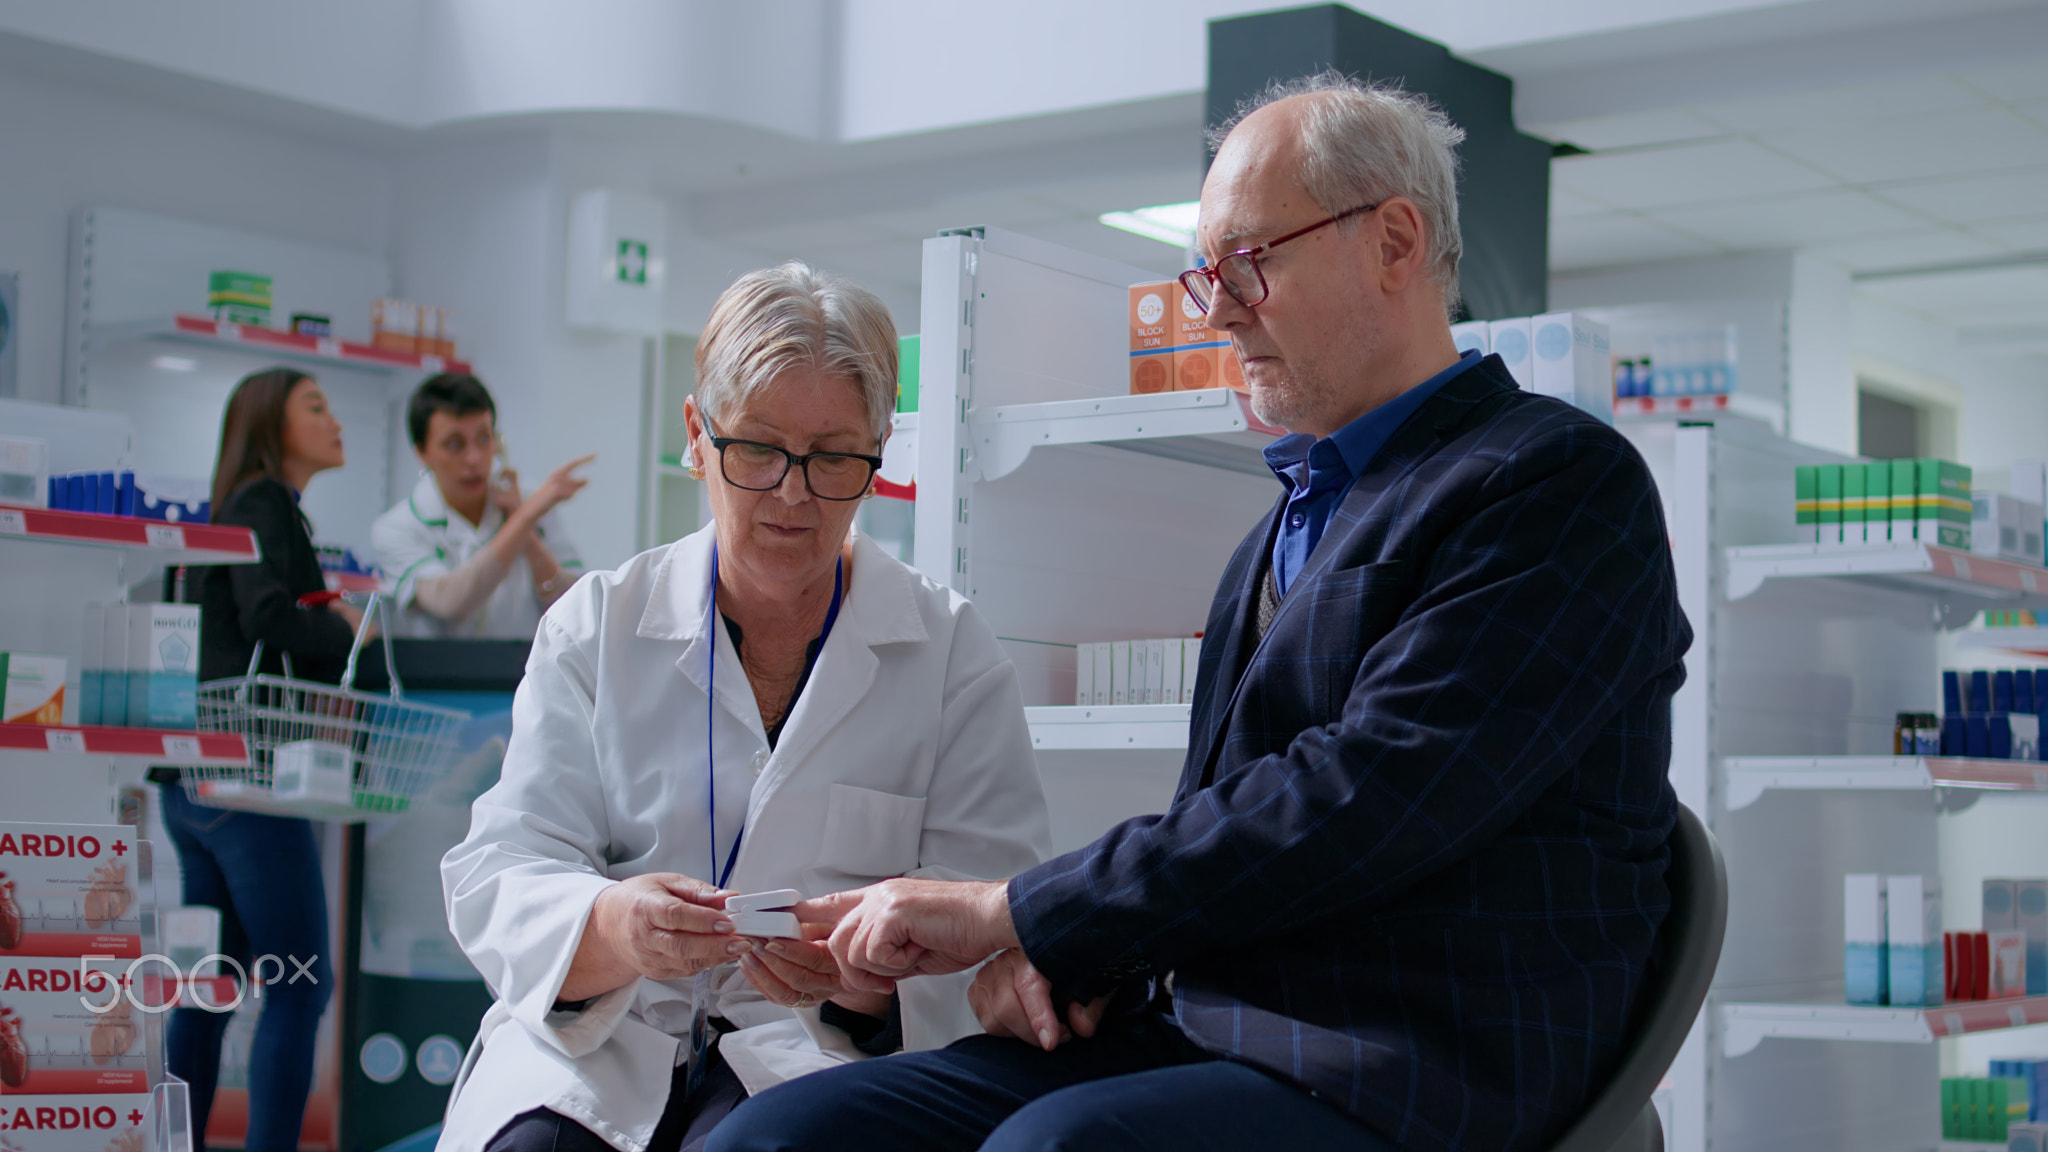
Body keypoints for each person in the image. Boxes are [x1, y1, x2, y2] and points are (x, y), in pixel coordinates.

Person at [710, 74, 1694, 1152]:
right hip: (1203, 1024)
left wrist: (1017, 914)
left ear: (1395, 241)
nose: (1217, 307)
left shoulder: (1550, 484)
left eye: (1247, 263)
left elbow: (1363, 799)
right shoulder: (1276, 530)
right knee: (783, 1136)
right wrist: (1072, 958)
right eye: (1204, 274)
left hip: (1414, 1057)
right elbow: (1225, 821)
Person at [437, 262, 1051, 1152]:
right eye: (758, 448)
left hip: (815, 1056)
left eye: (833, 456)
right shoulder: (599, 625)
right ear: (697, 434)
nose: (793, 493)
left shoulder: (950, 652)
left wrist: (863, 983)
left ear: (879, 451)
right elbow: (503, 866)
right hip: (605, 1040)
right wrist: (614, 927)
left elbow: (991, 922)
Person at [155, 367, 352, 1152]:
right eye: (316, 406)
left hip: (197, 786)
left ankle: (179, 1143)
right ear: (272, 424)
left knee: (213, 984)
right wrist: (343, 628)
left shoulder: (254, 507)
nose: (335, 420)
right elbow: (269, 613)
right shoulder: (265, 503)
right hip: (246, 782)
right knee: (303, 984)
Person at [371, 373, 592, 639]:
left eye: (485, 439)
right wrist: (522, 519)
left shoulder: (527, 499)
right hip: (439, 676)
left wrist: (526, 534)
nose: (474, 458)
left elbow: (576, 604)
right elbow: (450, 601)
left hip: (524, 674)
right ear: (421, 452)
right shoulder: (398, 528)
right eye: (455, 444)